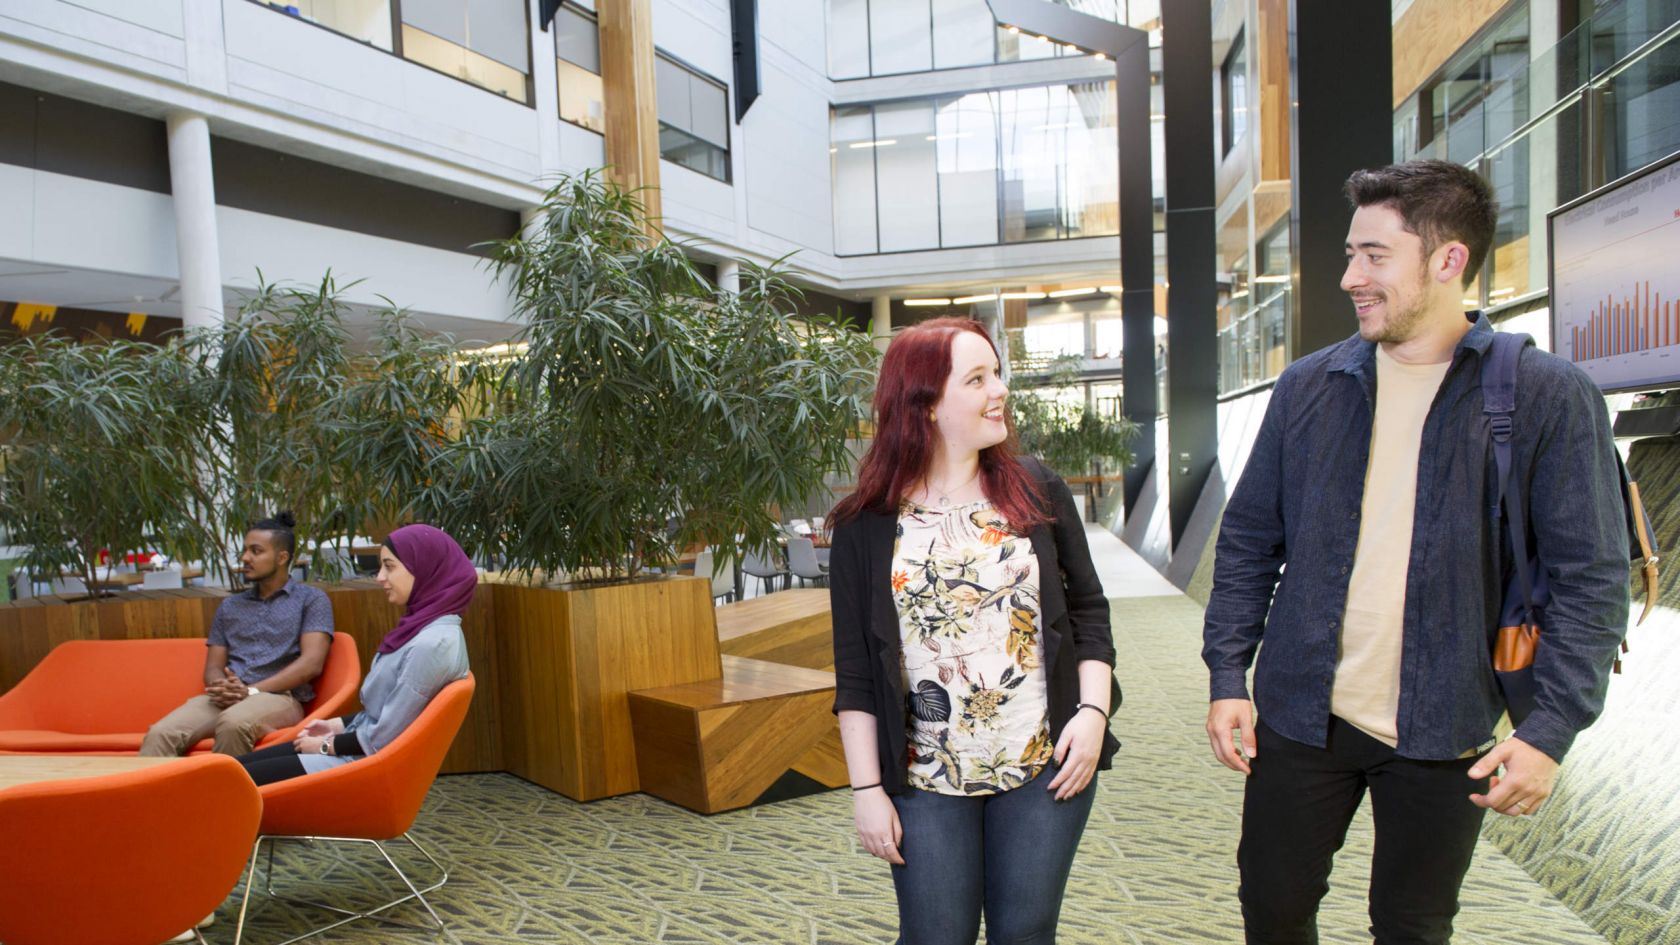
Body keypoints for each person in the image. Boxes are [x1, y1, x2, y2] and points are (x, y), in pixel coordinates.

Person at [1202, 160, 1630, 945]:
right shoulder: (1309, 387)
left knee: (1412, 926)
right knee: (1272, 906)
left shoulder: (1546, 395)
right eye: (1350, 254)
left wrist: (1549, 730)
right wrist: (1228, 673)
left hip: (1445, 720)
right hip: (1302, 711)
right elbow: (1249, 541)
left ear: (1448, 260)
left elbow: (1592, 581)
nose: (1350, 277)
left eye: (1375, 255)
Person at [827, 316, 1118, 945]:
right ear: (925, 404)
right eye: (977, 378)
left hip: (1044, 760)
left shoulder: (1035, 489)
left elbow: (1089, 611)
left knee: (1025, 933)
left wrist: (1093, 714)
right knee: (936, 934)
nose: (999, 390)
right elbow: (855, 673)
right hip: (925, 774)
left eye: (997, 374)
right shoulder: (864, 525)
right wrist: (867, 789)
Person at [236, 523, 473, 786]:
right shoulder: (425, 631)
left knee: (228, 780)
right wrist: (336, 725)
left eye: (390, 566)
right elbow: (385, 714)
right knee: (233, 768)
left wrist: (326, 745)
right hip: (357, 751)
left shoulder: (432, 645)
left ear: (425, 568)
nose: (380, 577)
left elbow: (385, 735)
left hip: (358, 765)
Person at [140, 511, 333, 757]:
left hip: (278, 698)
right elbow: (213, 667)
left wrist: (250, 690)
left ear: (282, 557)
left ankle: (227, 785)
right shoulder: (230, 606)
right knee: (160, 733)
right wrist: (221, 686)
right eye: (245, 550)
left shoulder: (311, 600)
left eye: (256, 551)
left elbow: (311, 665)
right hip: (227, 697)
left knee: (233, 724)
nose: (245, 558)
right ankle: (158, 785)